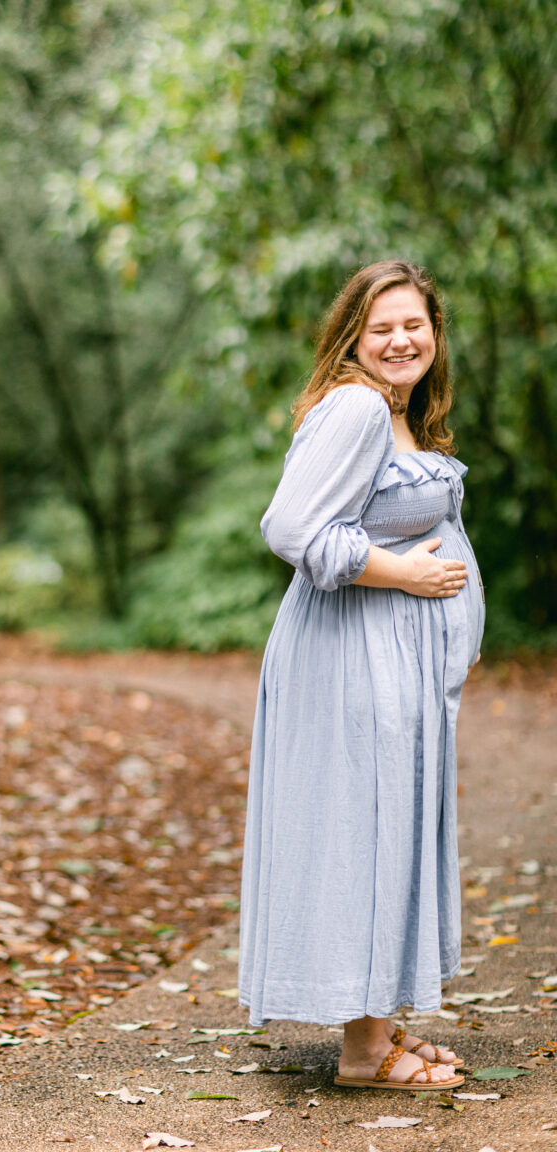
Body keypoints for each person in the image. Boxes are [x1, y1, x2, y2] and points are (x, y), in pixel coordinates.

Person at [238, 260, 484, 1091]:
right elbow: (290, 528)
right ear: (354, 337)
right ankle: (364, 1056)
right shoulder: (355, 408)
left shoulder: (401, 413)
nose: (400, 340)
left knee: (387, 828)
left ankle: (376, 1022)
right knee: (364, 828)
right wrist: (407, 574)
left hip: (392, 659)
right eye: (382, 328)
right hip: (352, 657)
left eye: (414, 324)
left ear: (435, 332)